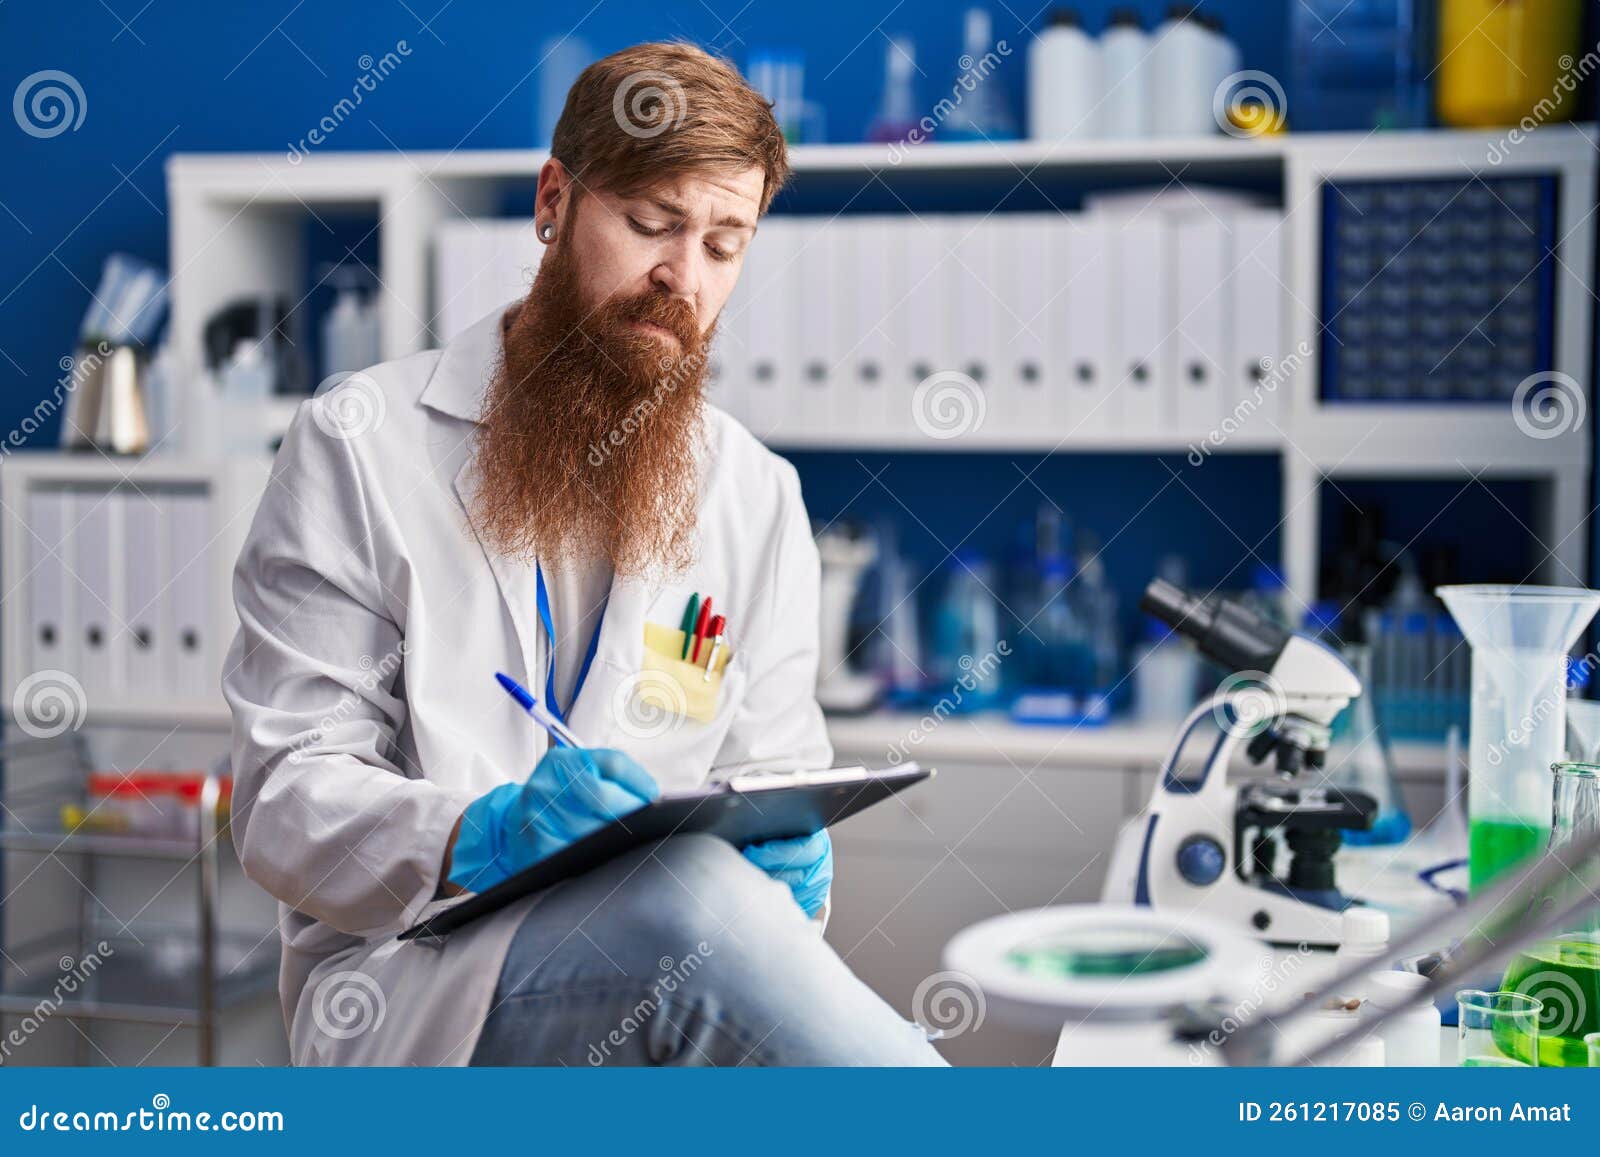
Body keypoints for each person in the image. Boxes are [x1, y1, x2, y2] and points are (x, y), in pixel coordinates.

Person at [222, 41, 945, 1067]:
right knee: (690, 903)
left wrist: (796, 863)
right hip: (416, 984)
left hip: (665, 979)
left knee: (705, 906)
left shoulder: (755, 492)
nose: (680, 277)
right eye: (651, 223)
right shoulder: (359, 441)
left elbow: (774, 776)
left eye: (724, 243)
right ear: (554, 199)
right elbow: (285, 801)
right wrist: (483, 831)